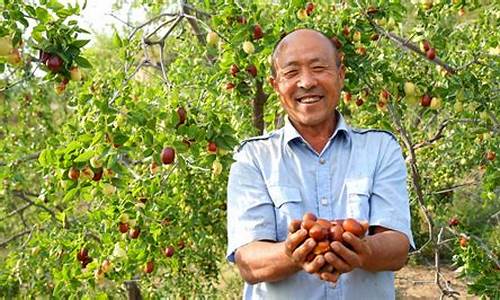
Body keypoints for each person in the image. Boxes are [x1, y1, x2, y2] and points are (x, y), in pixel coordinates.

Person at [226, 28, 415, 299]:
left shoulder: (380, 149)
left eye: (318, 68)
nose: (306, 82)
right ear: (275, 85)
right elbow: (249, 261)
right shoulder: (253, 158)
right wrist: (293, 253)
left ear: (340, 76)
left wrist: (365, 252)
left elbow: (397, 248)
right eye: (291, 72)